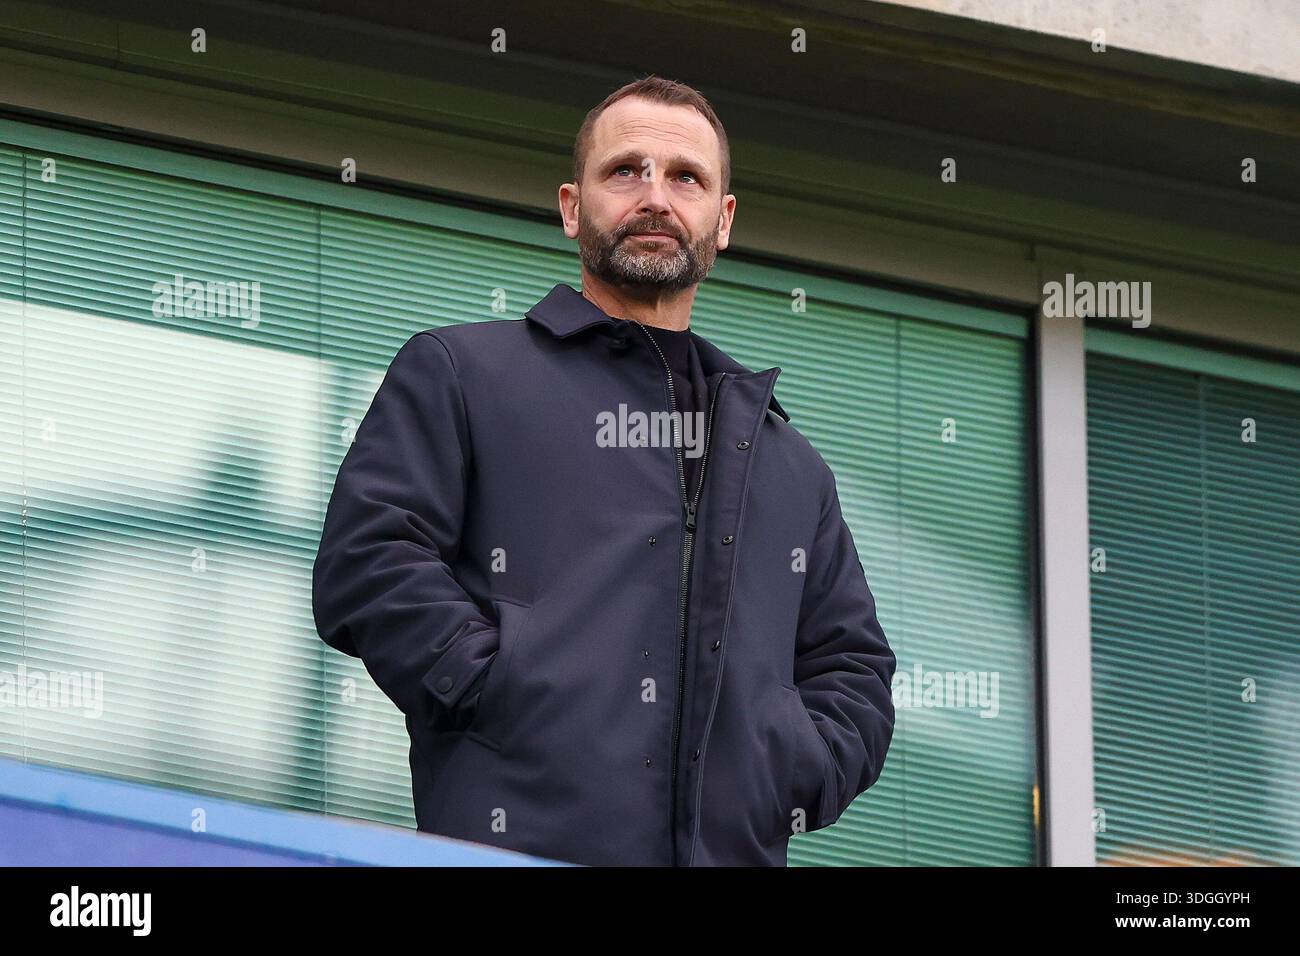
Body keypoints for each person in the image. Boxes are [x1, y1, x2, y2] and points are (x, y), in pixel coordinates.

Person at [312, 74, 896, 866]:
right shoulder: (463, 373)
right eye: (625, 170)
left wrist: (783, 766)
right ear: (569, 205)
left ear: (722, 222)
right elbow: (369, 562)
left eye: (686, 177)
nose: (655, 196)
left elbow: (853, 668)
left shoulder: (788, 464)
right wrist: (500, 688)